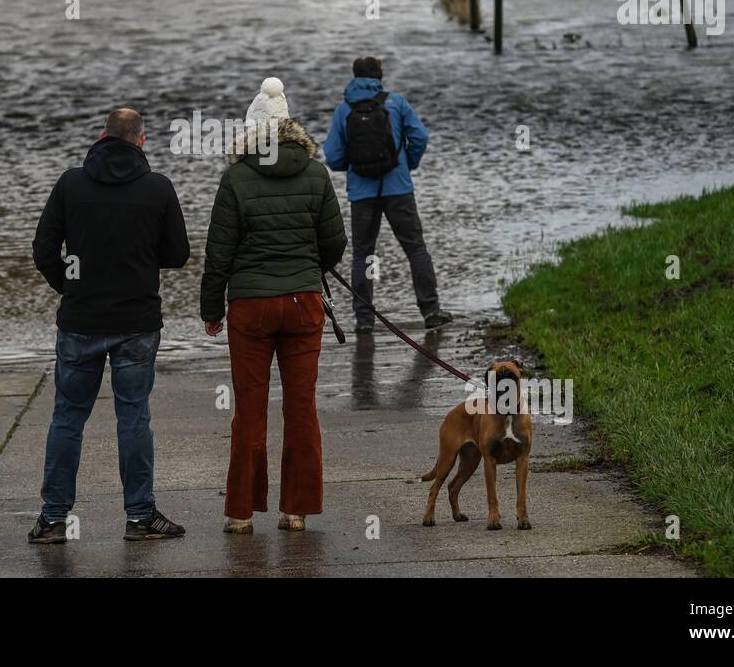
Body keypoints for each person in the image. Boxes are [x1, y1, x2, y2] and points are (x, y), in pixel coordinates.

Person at [29, 108, 190, 544]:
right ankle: (140, 517)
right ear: (142, 141)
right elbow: (178, 254)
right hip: (136, 321)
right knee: (133, 417)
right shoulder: (157, 188)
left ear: (101, 136)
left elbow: (43, 249)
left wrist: (70, 284)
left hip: (80, 319)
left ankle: (53, 519)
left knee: (67, 418)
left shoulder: (70, 183)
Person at [201, 78, 347, 534]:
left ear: (251, 131)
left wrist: (211, 309)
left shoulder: (237, 178)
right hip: (304, 304)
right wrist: (307, 265)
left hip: (251, 307)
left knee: (250, 407)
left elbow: (218, 252)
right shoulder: (317, 173)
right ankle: (296, 510)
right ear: (289, 126)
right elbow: (335, 245)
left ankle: (242, 513)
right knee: (301, 407)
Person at [322, 57, 452, 334]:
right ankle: (431, 311)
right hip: (399, 189)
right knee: (415, 248)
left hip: (361, 194)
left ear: (354, 76)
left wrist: (355, 167)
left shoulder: (343, 110)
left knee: (363, 255)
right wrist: (407, 163)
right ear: (380, 77)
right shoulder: (397, 103)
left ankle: (364, 321)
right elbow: (420, 137)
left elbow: (332, 156)